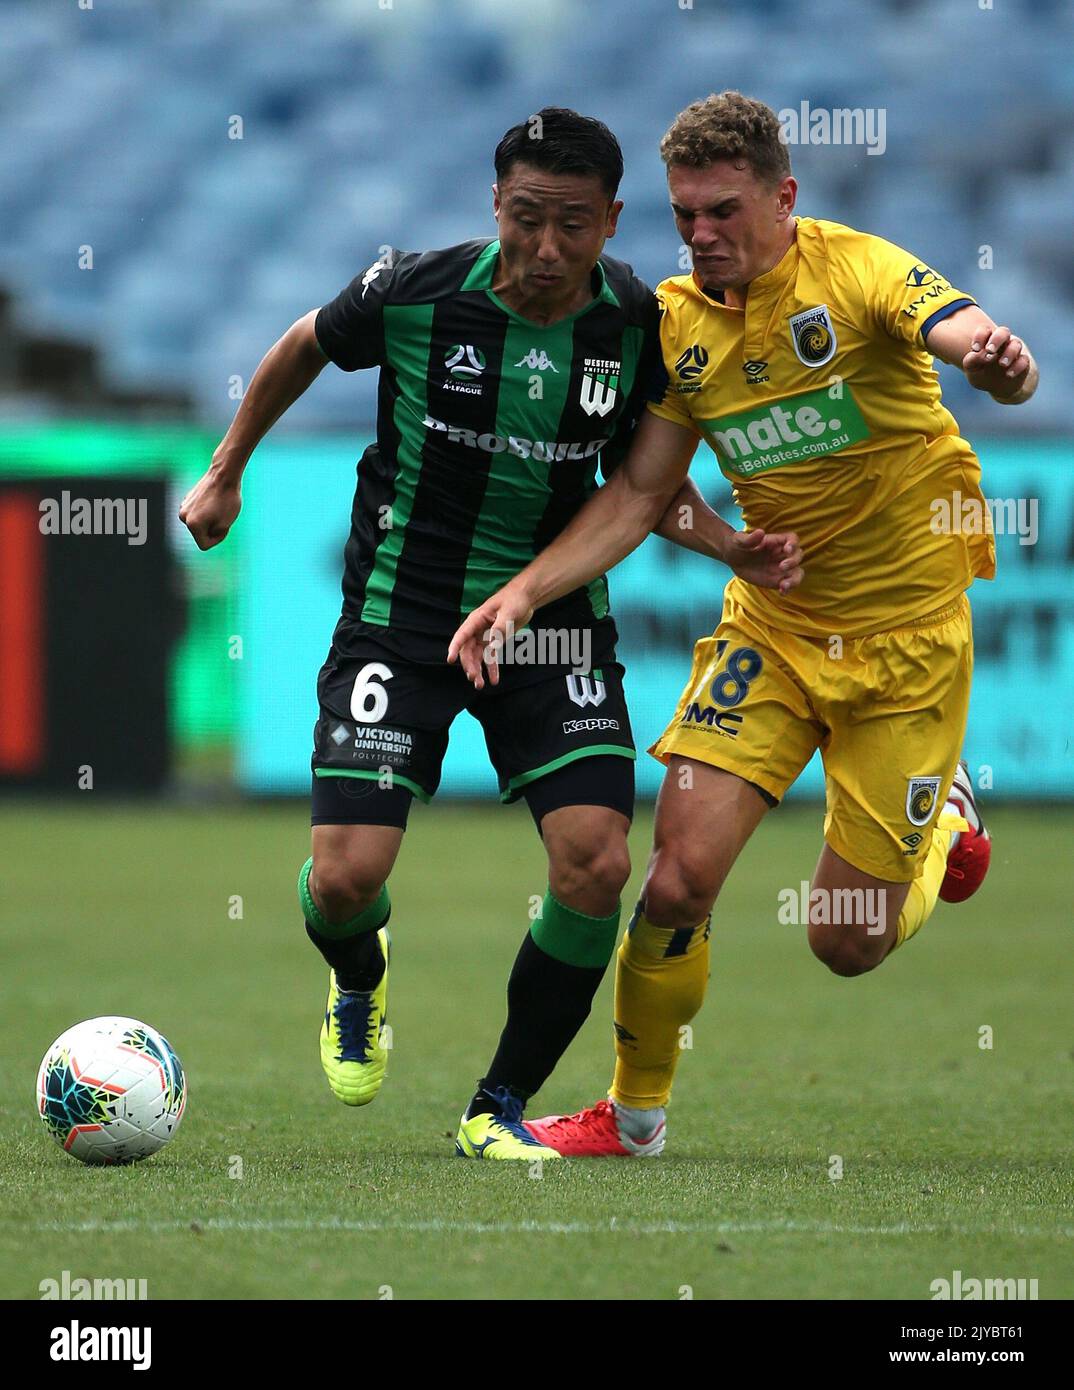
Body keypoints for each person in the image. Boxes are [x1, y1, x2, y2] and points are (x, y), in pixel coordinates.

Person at [179, 106, 802, 1160]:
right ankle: (358, 978)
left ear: (610, 221)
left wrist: (729, 545)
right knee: (344, 877)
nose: (545, 249)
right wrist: (227, 467)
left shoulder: (639, 327)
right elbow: (300, 346)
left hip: (550, 622)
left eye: (571, 224)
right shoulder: (416, 292)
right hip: (401, 615)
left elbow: (644, 486)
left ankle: (497, 1106)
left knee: (598, 862)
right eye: (524, 219)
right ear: (495, 207)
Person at [449, 91, 1037, 1157]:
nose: (703, 237)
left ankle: (945, 823)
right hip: (771, 632)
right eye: (683, 218)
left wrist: (994, 355)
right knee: (672, 878)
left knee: (844, 943)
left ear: (784, 197)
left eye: (723, 212)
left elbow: (956, 330)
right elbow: (640, 495)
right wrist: (531, 589)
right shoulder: (679, 326)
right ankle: (632, 1117)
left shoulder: (856, 271)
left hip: (906, 646)